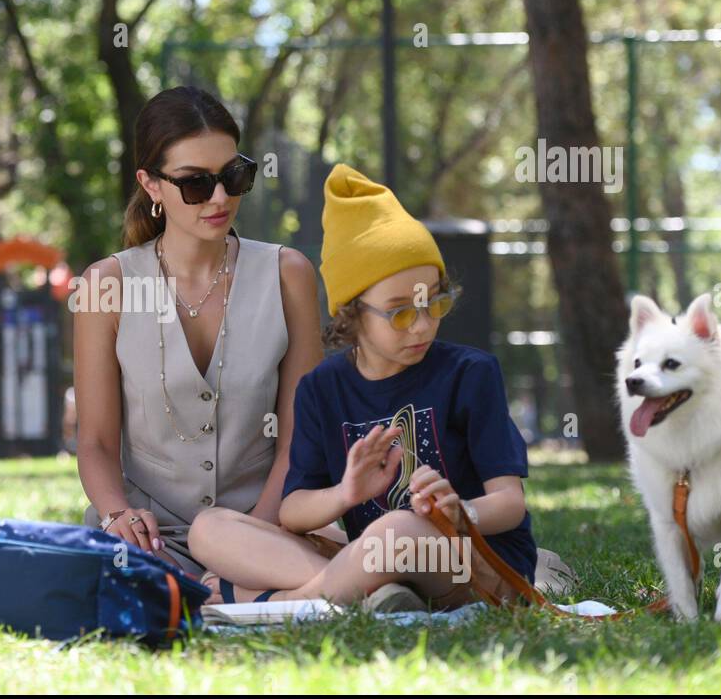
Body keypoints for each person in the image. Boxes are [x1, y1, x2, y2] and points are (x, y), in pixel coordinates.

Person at [189, 164, 546, 612]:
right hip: (376, 559)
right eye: (399, 312)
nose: (422, 325)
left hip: (474, 566)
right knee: (209, 527)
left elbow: (510, 504)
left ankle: (279, 603)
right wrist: (347, 493)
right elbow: (293, 511)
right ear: (351, 316)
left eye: (434, 301)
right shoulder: (321, 388)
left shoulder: (471, 374)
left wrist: (460, 513)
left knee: (396, 530)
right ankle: (365, 594)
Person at [73, 85, 334, 583]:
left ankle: (277, 589)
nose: (220, 198)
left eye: (234, 176)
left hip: (268, 525)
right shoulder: (104, 286)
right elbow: (96, 442)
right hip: (149, 539)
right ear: (151, 185)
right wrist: (116, 515)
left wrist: (249, 541)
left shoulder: (289, 274)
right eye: (196, 183)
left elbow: (298, 439)